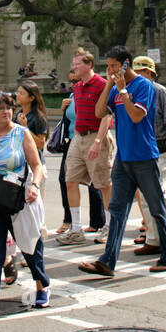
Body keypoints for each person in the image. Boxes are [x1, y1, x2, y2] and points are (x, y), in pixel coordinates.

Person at [78, 47, 166, 278]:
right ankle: (107, 260)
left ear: (126, 64)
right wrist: (108, 85)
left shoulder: (143, 86)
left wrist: (123, 91)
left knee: (156, 209)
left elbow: (137, 116)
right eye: (108, 66)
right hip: (124, 159)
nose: (111, 70)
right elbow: (99, 111)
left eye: (114, 66)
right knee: (117, 210)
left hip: (144, 156)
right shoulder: (113, 87)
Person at [0, 90, 48, 320]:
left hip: (18, 195)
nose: (6, 112)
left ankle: (41, 286)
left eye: (9, 107)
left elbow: (37, 165)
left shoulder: (21, 133)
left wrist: (34, 185)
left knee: (30, 243)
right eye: (1, 108)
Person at [131, 56, 166, 256]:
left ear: (151, 73)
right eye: (136, 72)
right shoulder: (132, 93)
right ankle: (154, 238)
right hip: (141, 148)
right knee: (145, 196)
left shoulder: (160, 91)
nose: (140, 75)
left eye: (143, 71)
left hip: (161, 145)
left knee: (156, 192)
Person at [59, 49, 114, 247]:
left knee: (103, 184)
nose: (73, 67)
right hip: (78, 138)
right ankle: (75, 228)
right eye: (73, 64)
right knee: (70, 181)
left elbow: (107, 115)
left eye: (77, 64)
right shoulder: (78, 87)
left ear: (89, 65)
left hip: (96, 136)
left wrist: (98, 142)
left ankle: (110, 226)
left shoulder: (101, 84)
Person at [56, 69, 105, 236]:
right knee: (67, 179)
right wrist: (64, 110)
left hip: (92, 137)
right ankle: (71, 223)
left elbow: (103, 115)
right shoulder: (73, 95)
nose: (72, 84)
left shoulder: (95, 89)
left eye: (74, 80)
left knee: (96, 183)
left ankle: (99, 222)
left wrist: (98, 141)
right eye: (70, 81)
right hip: (73, 140)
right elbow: (70, 120)